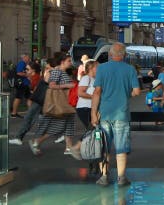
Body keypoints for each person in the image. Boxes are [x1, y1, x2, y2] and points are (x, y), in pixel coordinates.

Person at [91, 42, 141, 186]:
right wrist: (126, 94)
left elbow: (97, 92)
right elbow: (137, 91)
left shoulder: (102, 68)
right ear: (124, 55)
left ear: (110, 54)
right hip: (122, 114)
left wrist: (93, 113)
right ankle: (121, 178)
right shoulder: (130, 69)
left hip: (104, 114)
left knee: (104, 147)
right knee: (121, 148)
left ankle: (104, 177)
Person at [29, 53, 82, 159]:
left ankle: (69, 147)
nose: (70, 63)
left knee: (69, 125)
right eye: (68, 61)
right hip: (61, 104)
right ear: (62, 62)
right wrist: (67, 85)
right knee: (59, 126)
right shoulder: (57, 71)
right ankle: (37, 142)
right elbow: (51, 85)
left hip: (66, 104)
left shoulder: (63, 72)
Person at [9, 62, 44, 145]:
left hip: (38, 102)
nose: (25, 71)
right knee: (35, 119)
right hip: (39, 101)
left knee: (29, 119)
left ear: (33, 70)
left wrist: (32, 98)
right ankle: (21, 138)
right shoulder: (34, 78)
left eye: (27, 69)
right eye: (25, 69)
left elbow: (36, 91)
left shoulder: (36, 78)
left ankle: (20, 138)